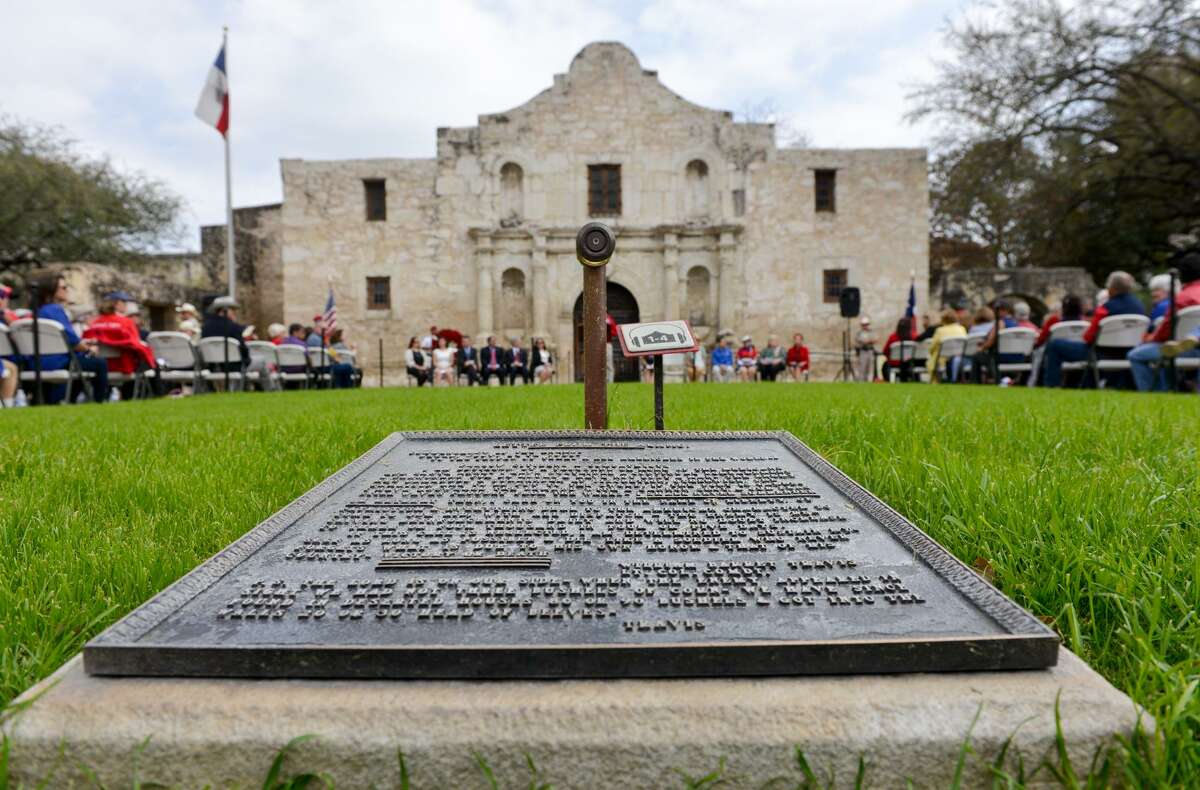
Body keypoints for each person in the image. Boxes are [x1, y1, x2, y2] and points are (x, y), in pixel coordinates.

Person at [1043, 271, 1144, 388]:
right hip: (1128, 353)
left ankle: (1051, 385)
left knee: (1055, 345)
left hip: (1099, 354)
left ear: (1111, 289)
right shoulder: (1139, 307)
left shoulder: (1106, 308)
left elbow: (1088, 337)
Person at [27, 274, 109, 404]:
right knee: (99, 363)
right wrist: (89, 349)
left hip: (36, 363)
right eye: (63, 287)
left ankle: (64, 401)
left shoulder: (35, 312)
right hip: (59, 362)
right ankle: (99, 402)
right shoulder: (55, 310)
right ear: (52, 291)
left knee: (81, 363)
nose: (67, 290)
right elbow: (72, 342)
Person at [1127, 249, 1200, 392]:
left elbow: (1166, 330)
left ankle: (1157, 393)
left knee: (1135, 355)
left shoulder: (1181, 298)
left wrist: (1151, 339)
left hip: (1182, 348)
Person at [84, 291, 158, 399]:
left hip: (101, 367)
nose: (126, 304)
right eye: (124, 301)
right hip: (123, 366)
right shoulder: (126, 322)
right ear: (116, 304)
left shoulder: (94, 324)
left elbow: (87, 342)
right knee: (151, 363)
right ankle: (156, 395)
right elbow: (135, 344)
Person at [202, 295, 277, 391]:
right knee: (261, 361)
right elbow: (243, 349)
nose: (234, 313)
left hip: (213, 366)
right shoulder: (232, 326)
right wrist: (246, 359)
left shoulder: (205, 327)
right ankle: (270, 390)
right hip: (235, 366)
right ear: (226, 310)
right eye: (233, 310)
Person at [973, 300, 1019, 384]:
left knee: (977, 356)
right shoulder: (1015, 323)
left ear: (1002, 310)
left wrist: (982, 348)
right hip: (1017, 357)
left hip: (1001, 357)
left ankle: (976, 382)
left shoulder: (1000, 323)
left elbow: (991, 340)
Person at [927, 309, 967, 383]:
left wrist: (931, 352)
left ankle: (935, 382)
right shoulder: (962, 329)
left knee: (932, 359)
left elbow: (932, 347)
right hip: (958, 356)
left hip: (942, 358)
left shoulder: (940, 330)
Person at [882, 317, 919, 382]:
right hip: (909, 363)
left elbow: (885, 351)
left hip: (894, 363)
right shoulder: (914, 337)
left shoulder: (893, 337)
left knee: (885, 365)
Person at [854, 317, 876, 382]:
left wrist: (868, 341)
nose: (865, 326)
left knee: (869, 368)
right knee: (862, 368)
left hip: (870, 350)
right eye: (864, 324)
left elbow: (875, 339)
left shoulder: (871, 332)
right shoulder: (859, 333)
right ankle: (861, 381)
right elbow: (858, 340)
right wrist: (865, 342)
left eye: (866, 324)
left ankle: (868, 381)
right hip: (863, 351)